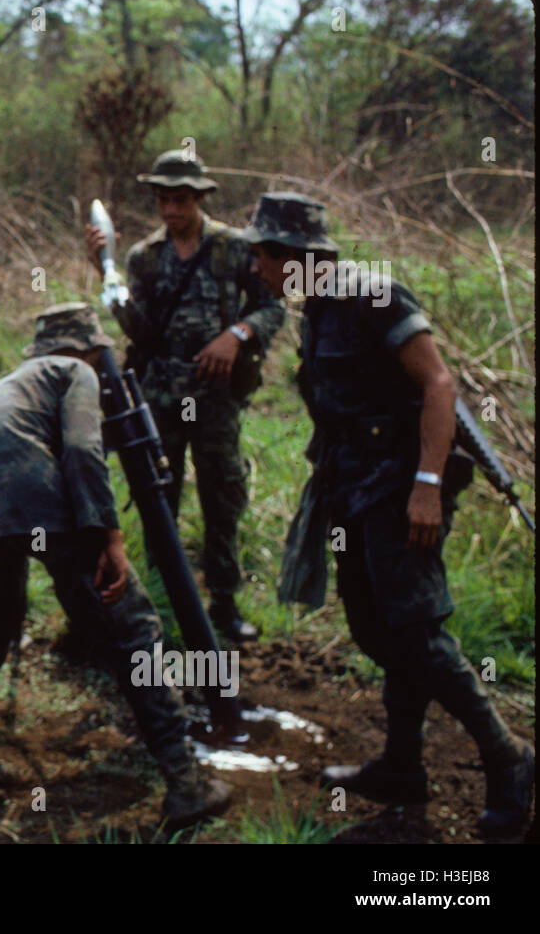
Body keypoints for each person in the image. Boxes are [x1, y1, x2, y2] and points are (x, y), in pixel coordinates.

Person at [248, 191, 534, 837]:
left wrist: (428, 486)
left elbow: (438, 384)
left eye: (262, 253)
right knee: (376, 628)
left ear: (294, 255)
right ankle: (403, 765)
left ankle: (508, 756)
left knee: (417, 631)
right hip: (351, 489)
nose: (255, 266)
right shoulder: (316, 309)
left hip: (403, 490)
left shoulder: (373, 294)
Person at [0, 302, 232, 829]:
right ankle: (186, 782)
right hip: (36, 491)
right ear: (90, 350)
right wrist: (109, 536)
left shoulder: (14, 382)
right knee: (132, 626)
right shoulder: (75, 372)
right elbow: (81, 451)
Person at [86, 150, 284, 642]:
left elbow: (272, 307)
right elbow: (140, 330)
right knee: (159, 497)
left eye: (180, 200)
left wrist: (236, 335)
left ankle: (224, 603)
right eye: (162, 200)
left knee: (222, 496)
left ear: (199, 198)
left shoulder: (235, 249)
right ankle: (163, 596)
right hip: (160, 396)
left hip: (216, 397)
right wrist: (102, 273)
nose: (171, 210)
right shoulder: (144, 258)